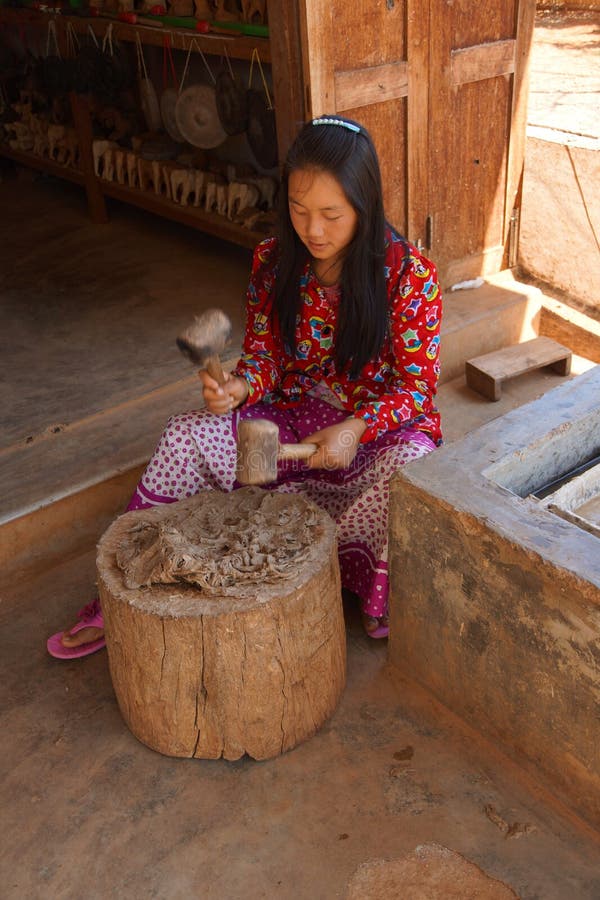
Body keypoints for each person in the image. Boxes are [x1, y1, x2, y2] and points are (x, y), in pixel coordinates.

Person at [47, 113, 442, 659]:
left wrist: (355, 425)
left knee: (413, 474)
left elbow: (417, 392)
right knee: (187, 435)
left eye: (332, 214)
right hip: (295, 420)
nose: (315, 230)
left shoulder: (408, 278)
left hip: (376, 434)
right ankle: (126, 585)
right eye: (300, 211)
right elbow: (266, 356)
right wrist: (239, 388)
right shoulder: (275, 261)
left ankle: (362, 585)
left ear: (365, 207)